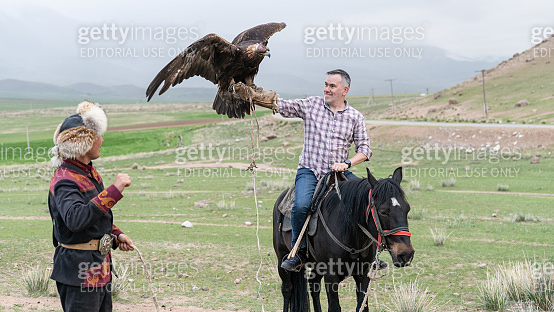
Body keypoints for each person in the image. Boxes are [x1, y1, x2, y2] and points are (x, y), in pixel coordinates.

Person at [276, 69, 372, 272]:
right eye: (326, 84)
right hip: (310, 171)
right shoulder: (311, 105)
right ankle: (298, 252)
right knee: (301, 205)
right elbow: (283, 106)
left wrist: (347, 163)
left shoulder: (355, 117)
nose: (326, 89)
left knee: (367, 198)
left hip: (339, 173)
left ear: (345, 90)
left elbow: (364, 150)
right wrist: (256, 96)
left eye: (332, 86)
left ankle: (369, 252)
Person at [48, 101, 134, 312]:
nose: (101, 140)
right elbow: (76, 219)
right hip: (79, 273)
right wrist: (114, 191)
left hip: (99, 267)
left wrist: (116, 235)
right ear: (84, 144)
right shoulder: (65, 180)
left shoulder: (87, 173)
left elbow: (94, 216)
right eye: (97, 136)